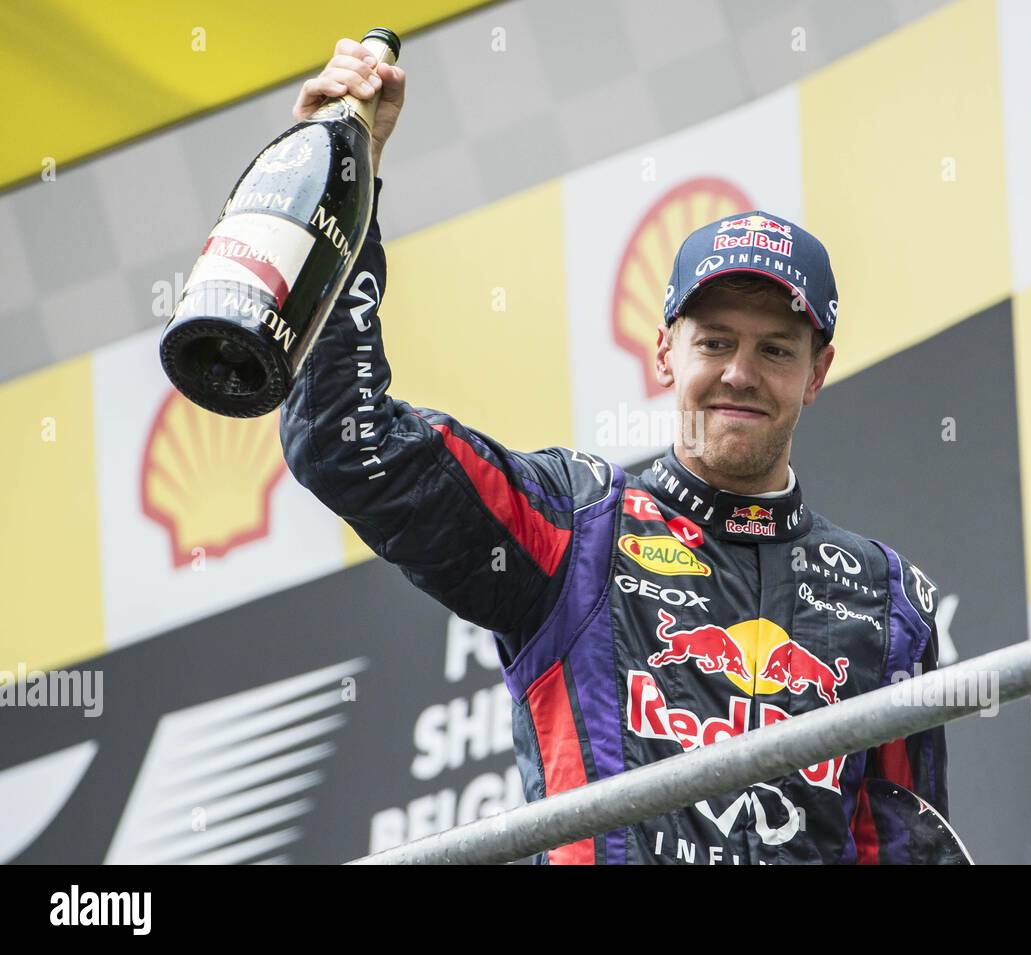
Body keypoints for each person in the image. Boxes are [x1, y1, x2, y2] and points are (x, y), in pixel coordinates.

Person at [281, 39, 951, 865]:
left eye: (775, 349)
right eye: (714, 342)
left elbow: (906, 849)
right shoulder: (577, 524)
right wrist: (340, 184)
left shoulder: (887, 600)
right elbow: (352, 446)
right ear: (666, 353)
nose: (740, 372)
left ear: (817, 373)